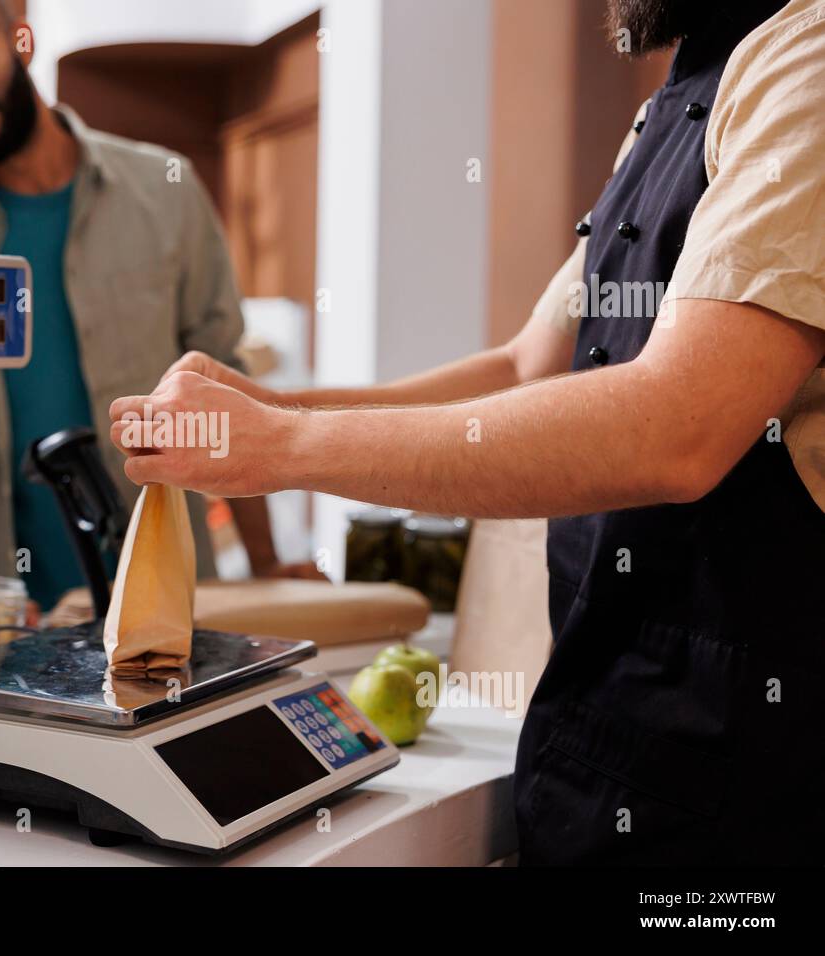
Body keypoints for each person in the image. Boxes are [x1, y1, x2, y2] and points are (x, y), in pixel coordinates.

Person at [110, 0, 825, 864]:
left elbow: (678, 427)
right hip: (614, 720)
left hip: (754, 756)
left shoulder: (806, 61)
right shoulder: (661, 114)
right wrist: (273, 408)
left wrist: (279, 449)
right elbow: (526, 363)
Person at [0, 0, 317, 611]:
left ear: (21, 39)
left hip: (171, 601)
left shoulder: (166, 191)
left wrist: (267, 566)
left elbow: (226, 389)